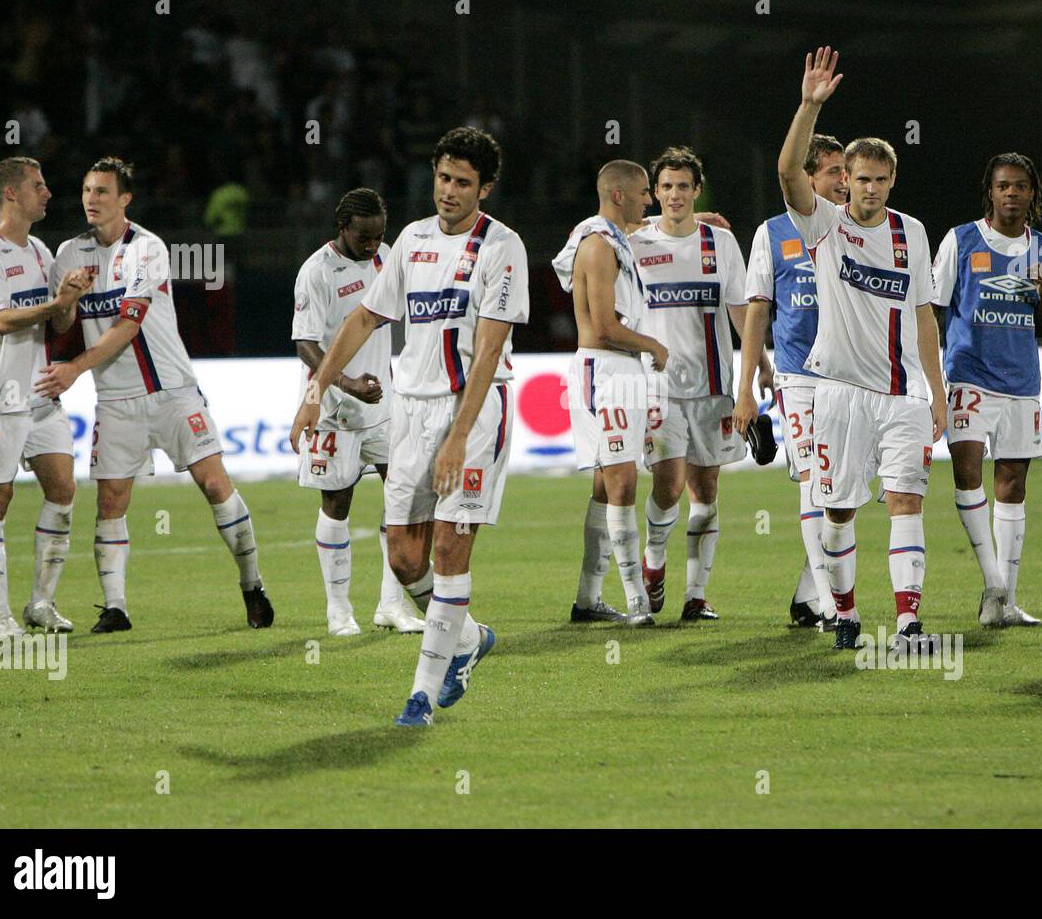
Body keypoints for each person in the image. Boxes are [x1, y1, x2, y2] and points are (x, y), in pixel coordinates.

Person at [291, 127, 529, 726]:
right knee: (403, 558)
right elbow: (365, 317)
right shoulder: (411, 241)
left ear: (486, 189)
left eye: (463, 183)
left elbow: (488, 353)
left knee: (449, 552)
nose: (449, 191)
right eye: (443, 178)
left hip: (473, 413)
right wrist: (315, 393)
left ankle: (419, 696)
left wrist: (457, 436)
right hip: (411, 411)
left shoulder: (503, 248)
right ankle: (469, 638)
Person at [39, 157, 274, 632]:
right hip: (116, 399)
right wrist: (66, 300)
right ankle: (117, 607)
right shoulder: (68, 253)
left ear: (125, 199)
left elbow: (129, 325)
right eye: (86, 190)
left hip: (171, 390)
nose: (91, 199)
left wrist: (75, 370)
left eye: (102, 191)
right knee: (110, 501)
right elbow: (61, 324)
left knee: (213, 483)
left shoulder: (147, 249)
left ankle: (252, 585)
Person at [777, 47, 946, 653]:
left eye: (881, 179)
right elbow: (788, 171)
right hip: (839, 393)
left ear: (892, 181)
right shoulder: (824, 223)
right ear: (844, 179)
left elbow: (923, 312)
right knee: (841, 511)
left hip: (902, 393)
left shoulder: (913, 233)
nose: (870, 188)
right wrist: (808, 104)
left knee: (906, 502)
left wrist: (938, 391)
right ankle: (846, 616)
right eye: (860, 178)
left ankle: (908, 624)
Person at [632, 146, 764, 621]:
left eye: (683, 186)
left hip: (713, 389)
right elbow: (585, 236)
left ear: (696, 189)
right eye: (665, 186)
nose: (674, 194)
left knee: (705, 494)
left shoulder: (720, 243)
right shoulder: (635, 241)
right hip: (657, 388)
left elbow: (739, 310)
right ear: (654, 192)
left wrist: (758, 365)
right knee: (668, 484)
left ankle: (696, 596)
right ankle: (653, 559)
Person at [292, 187, 425, 636]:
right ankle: (338, 610)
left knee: (403, 500)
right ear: (343, 227)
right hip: (333, 409)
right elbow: (305, 343)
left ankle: (391, 606)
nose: (372, 246)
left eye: (379, 237)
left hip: (385, 406)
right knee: (337, 504)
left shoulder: (387, 256)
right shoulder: (317, 271)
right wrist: (345, 383)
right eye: (365, 238)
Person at [932, 152, 1042, 627]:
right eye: (1003, 185)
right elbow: (933, 306)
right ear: (990, 191)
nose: (1011, 193)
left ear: (1031, 194)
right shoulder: (961, 240)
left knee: (1013, 485)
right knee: (966, 474)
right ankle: (992, 586)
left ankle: (1008, 600)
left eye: (1020, 186)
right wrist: (935, 375)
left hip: (1021, 381)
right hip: (969, 375)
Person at [0, 157, 86, 635]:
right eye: (38, 185)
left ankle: (41, 603)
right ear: (11, 194)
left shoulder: (40, 250)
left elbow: (58, 324)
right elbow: (1, 319)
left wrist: (69, 301)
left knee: (63, 489)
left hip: (38, 392)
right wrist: (55, 304)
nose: (48, 192)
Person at [733, 134, 847, 629]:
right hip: (799, 377)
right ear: (807, 178)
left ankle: (807, 595)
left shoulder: (856, 226)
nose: (845, 180)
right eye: (833, 172)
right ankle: (829, 603)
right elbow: (758, 308)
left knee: (839, 494)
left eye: (847, 171)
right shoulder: (773, 233)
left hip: (852, 378)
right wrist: (745, 389)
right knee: (810, 482)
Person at [552, 160, 668, 625]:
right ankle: (639, 604)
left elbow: (647, 222)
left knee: (605, 486)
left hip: (618, 372)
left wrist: (703, 221)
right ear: (618, 195)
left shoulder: (608, 237)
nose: (650, 199)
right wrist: (652, 344)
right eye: (643, 191)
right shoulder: (599, 248)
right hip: (606, 371)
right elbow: (602, 327)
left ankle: (587, 600)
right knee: (622, 484)